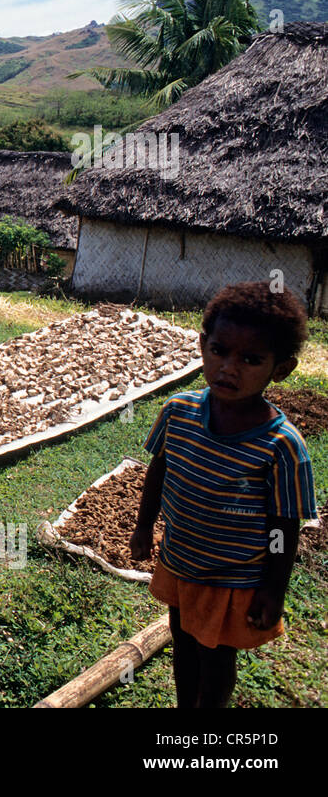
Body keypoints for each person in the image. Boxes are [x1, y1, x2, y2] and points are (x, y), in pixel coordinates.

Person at [130, 282, 317, 708]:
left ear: (281, 369)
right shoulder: (177, 412)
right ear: (202, 345)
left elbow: (284, 525)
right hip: (180, 561)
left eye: (251, 359)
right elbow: (158, 471)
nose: (229, 368)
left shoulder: (282, 446)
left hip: (233, 578)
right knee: (182, 641)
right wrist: (144, 526)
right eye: (219, 351)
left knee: (215, 658)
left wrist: (274, 589)